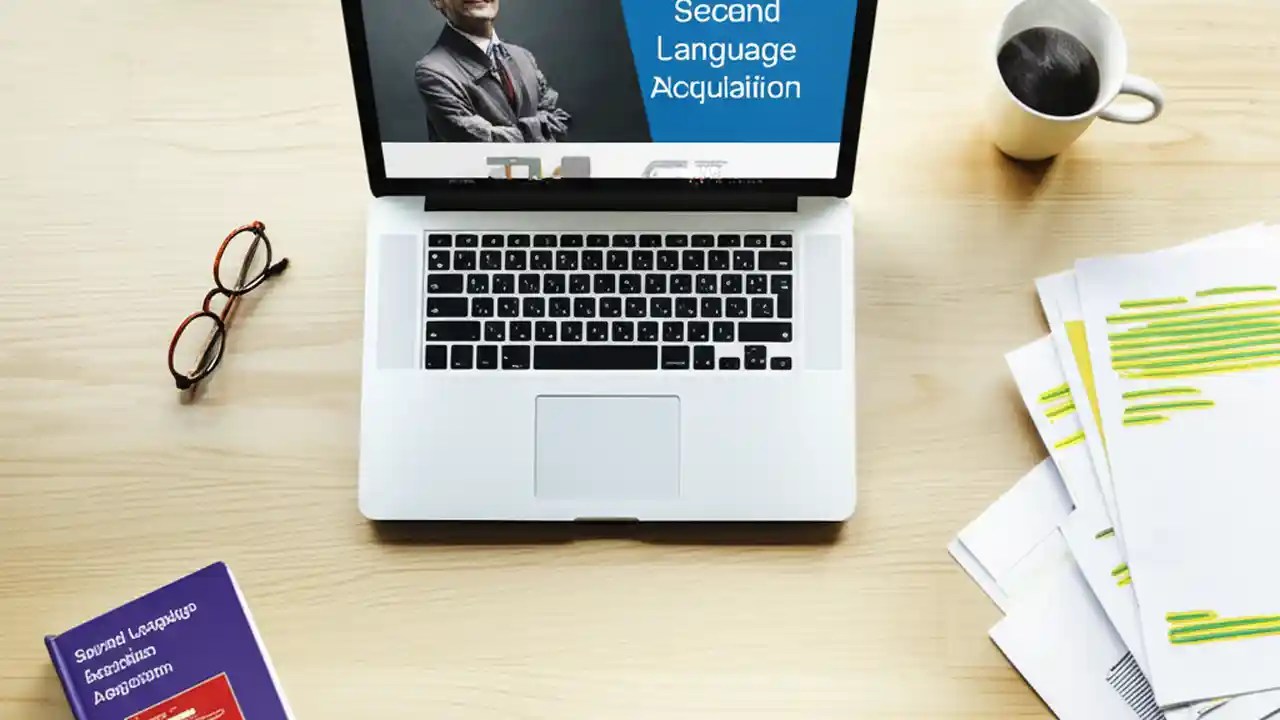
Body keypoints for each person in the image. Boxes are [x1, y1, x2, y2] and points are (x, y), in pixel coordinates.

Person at [415, 0, 571, 143]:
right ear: (437, 2)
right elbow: (485, 145)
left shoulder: (523, 57)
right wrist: (539, 130)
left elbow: (560, 121)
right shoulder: (433, 71)